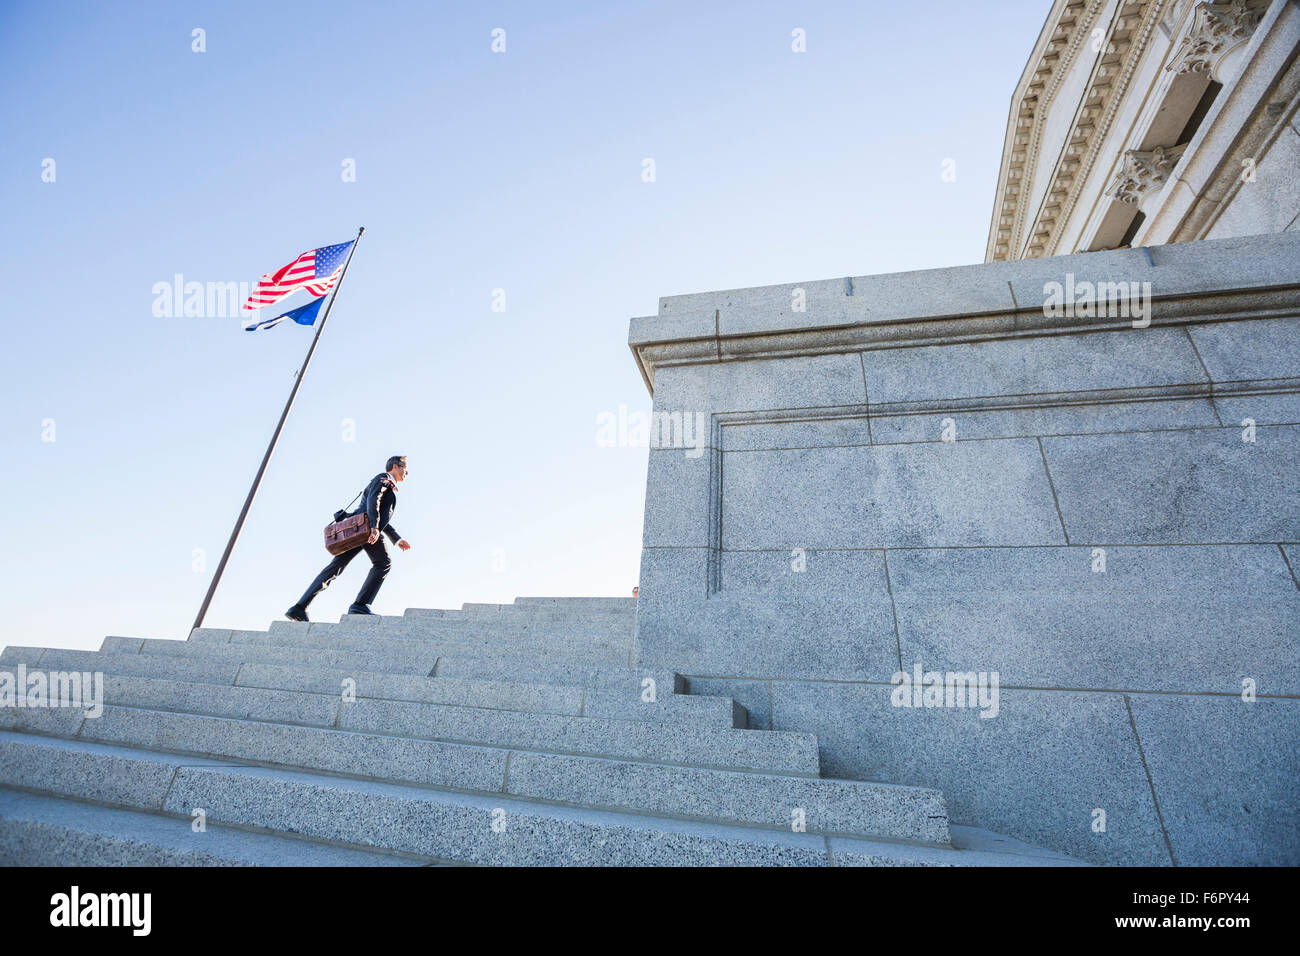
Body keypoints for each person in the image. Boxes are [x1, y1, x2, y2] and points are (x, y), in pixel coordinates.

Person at [286, 455, 412, 621]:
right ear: (395, 467)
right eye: (405, 468)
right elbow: (373, 501)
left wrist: (396, 539)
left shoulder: (383, 482)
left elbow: (377, 513)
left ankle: (299, 607)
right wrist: (374, 527)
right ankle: (360, 605)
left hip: (359, 529)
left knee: (335, 567)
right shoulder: (384, 479)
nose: (407, 473)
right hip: (366, 530)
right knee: (383, 563)